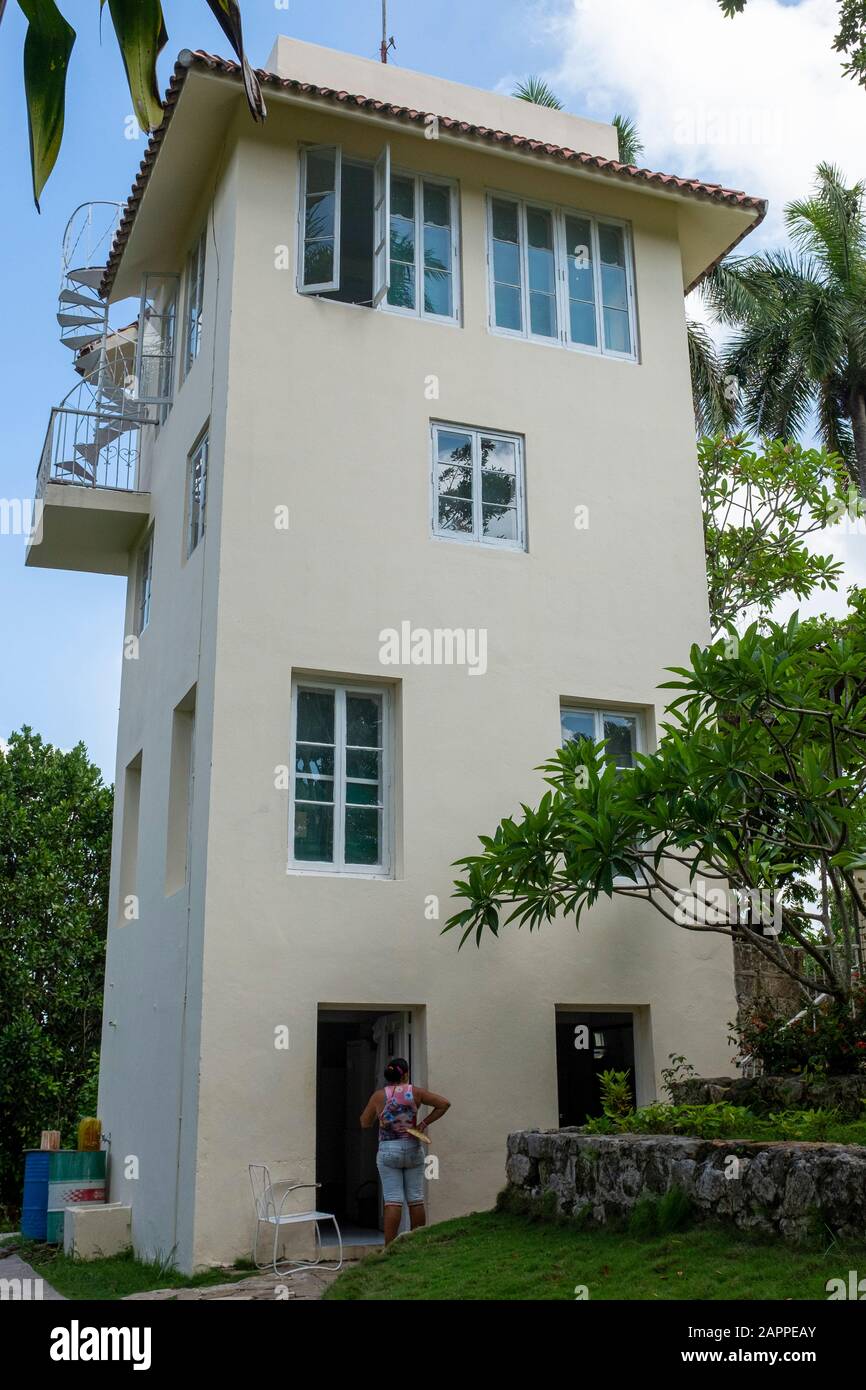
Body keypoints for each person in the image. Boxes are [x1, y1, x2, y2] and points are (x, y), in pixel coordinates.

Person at [360, 1058, 450, 1246]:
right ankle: (417, 1246)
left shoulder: (378, 1096)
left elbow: (364, 1122)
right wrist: (422, 1124)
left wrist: (380, 1118)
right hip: (412, 1148)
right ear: (406, 1074)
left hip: (388, 1150)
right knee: (416, 1199)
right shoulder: (415, 1092)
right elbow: (444, 1104)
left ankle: (389, 1249)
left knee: (393, 1200)